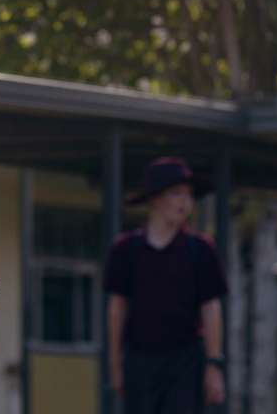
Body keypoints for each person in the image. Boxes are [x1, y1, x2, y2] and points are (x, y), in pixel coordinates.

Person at [106, 158, 227, 414]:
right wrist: (115, 365)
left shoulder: (200, 250)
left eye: (189, 195)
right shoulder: (126, 250)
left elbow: (211, 307)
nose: (185, 202)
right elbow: (117, 308)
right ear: (156, 199)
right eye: (176, 193)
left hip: (185, 361)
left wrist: (214, 364)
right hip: (140, 360)